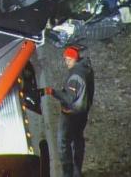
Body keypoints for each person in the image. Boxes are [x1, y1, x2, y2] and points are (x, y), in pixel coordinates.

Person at [42, 46, 95, 177]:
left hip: (71, 114)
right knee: (78, 139)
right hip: (83, 112)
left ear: (73, 59)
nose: (66, 62)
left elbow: (69, 98)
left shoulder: (75, 76)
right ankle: (77, 172)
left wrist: (52, 92)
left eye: (67, 60)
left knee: (63, 143)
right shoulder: (86, 69)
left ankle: (68, 173)